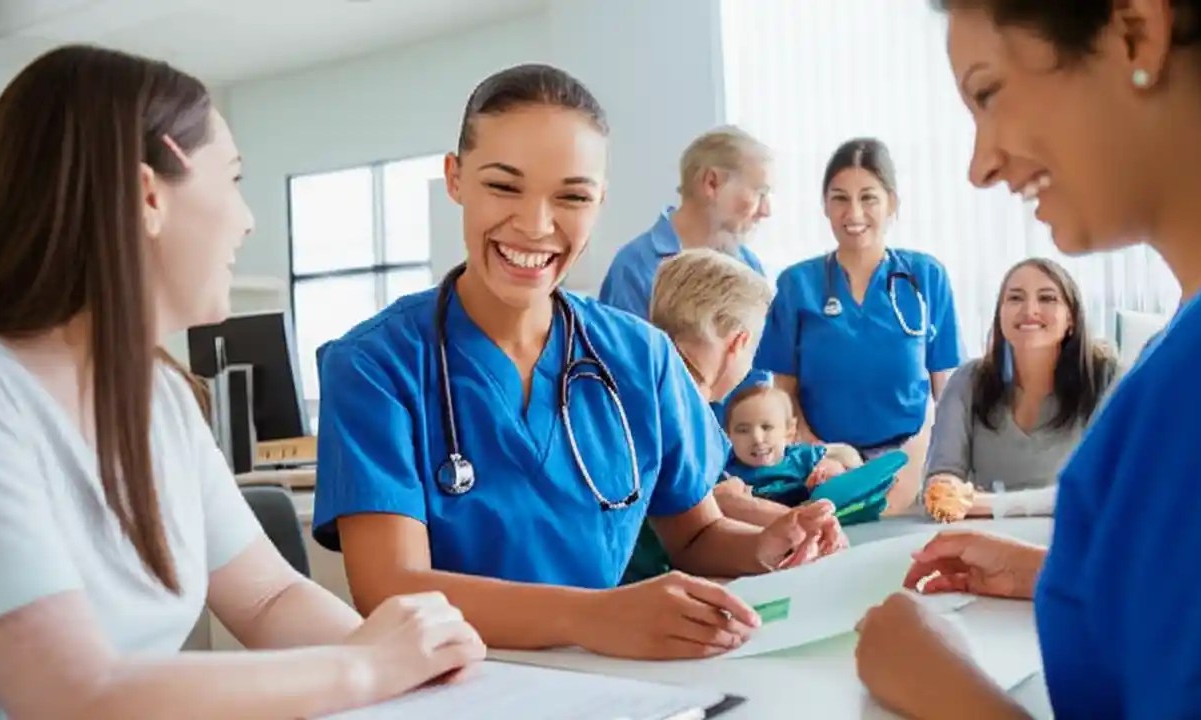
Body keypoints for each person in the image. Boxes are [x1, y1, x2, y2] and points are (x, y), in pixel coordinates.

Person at [0, 45, 484, 720]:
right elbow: (72, 694)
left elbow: (266, 599)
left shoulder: (158, 397)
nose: (247, 219)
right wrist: (365, 664)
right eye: (234, 179)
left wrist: (414, 665)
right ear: (148, 194)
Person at [312, 64, 844, 662]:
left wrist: (766, 545)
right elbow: (390, 588)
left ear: (599, 202)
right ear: (455, 179)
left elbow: (694, 533)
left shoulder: (641, 358)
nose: (537, 225)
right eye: (504, 186)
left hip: (614, 681)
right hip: (449, 683)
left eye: (571, 196)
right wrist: (592, 615)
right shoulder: (374, 366)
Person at [856, 1, 1201, 717]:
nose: (980, 166)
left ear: (1135, 30)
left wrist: (947, 687)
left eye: (988, 93)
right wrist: (1067, 575)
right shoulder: (1182, 346)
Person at [754, 138, 966, 514]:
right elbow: (783, 396)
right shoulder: (797, 285)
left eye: (868, 198)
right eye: (839, 198)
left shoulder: (926, 277)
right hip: (826, 465)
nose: (854, 213)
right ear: (824, 206)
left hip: (909, 460)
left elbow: (946, 394)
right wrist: (821, 457)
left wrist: (916, 460)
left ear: (892, 203)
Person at [623, 249, 850, 581]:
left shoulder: (634, 390)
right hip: (638, 590)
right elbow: (706, 520)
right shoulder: (688, 419)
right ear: (738, 344)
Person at [922, 258, 1118, 522]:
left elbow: (1106, 487)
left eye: (1047, 298)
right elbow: (941, 476)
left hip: (1074, 539)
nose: (1030, 310)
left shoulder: (1105, 377)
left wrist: (991, 504)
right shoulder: (967, 381)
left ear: (1071, 317)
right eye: (1015, 298)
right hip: (984, 542)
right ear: (999, 314)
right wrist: (944, 492)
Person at [598, 126, 776, 413]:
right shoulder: (635, 267)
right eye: (760, 192)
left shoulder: (749, 265)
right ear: (712, 183)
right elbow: (629, 378)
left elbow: (759, 375)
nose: (766, 210)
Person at [723, 386, 863, 508]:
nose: (757, 439)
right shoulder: (726, 474)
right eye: (743, 430)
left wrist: (829, 468)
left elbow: (849, 456)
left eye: (767, 427)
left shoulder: (803, 459)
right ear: (728, 436)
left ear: (789, 431)